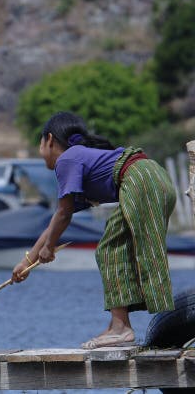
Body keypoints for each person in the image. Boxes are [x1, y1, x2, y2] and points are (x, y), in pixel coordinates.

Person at [12, 111, 177, 349]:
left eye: (39, 143)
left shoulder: (67, 160)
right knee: (114, 245)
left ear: (49, 140)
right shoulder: (80, 160)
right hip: (153, 177)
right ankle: (118, 325)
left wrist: (49, 249)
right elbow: (56, 220)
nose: (40, 151)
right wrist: (27, 261)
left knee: (109, 249)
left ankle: (121, 329)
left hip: (140, 180)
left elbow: (63, 214)